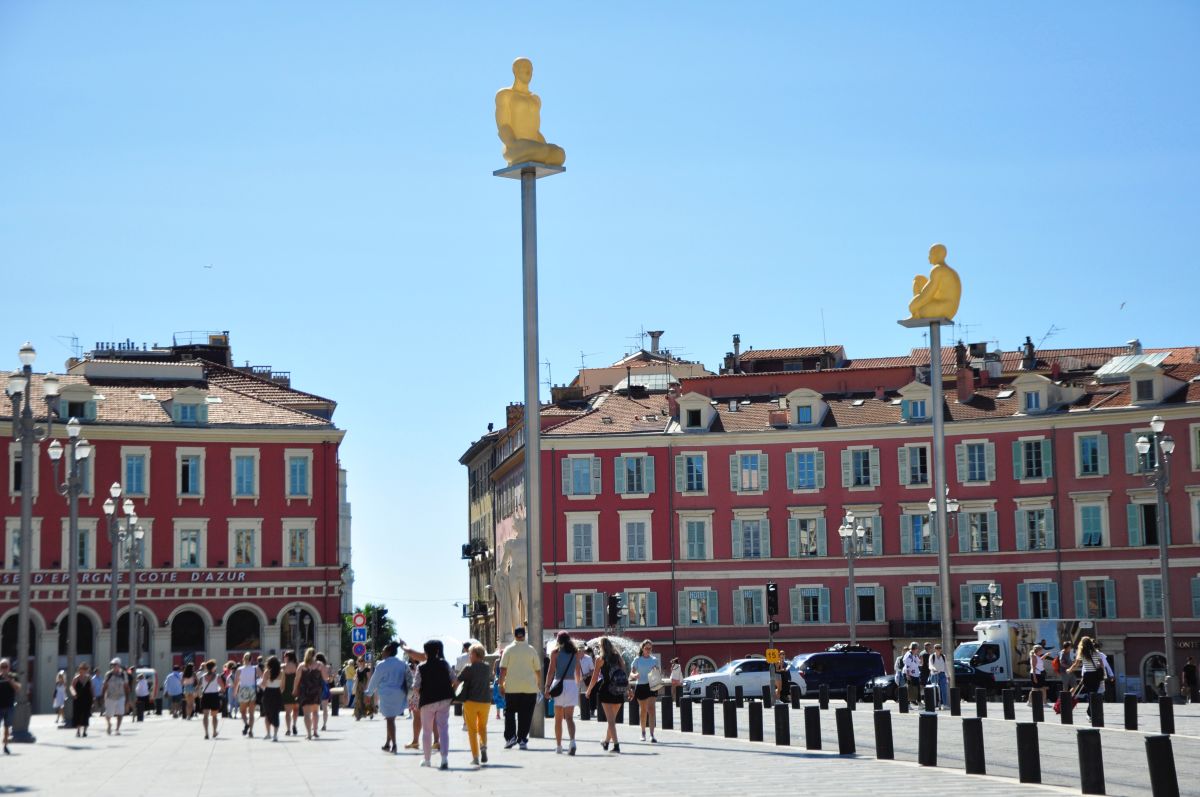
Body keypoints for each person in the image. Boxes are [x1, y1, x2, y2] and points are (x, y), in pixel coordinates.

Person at [415, 639, 457, 770]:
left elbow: (416, 686)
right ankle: (444, 758)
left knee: (427, 731)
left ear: (425, 652)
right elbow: (455, 680)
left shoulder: (421, 667)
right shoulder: (444, 664)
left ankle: (427, 759)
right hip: (444, 700)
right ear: (438, 651)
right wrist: (450, 692)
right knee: (443, 729)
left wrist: (420, 695)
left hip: (427, 701)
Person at [498, 626, 541, 750]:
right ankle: (522, 739)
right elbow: (538, 670)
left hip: (512, 687)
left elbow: (503, 670)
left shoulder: (508, 649)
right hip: (529, 688)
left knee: (510, 712)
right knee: (526, 714)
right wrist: (538, 684)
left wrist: (501, 685)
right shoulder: (531, 650)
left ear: (515, 635)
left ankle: (511, 737)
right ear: (524, 635)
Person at [365, 641, 409, 753]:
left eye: (384, 650)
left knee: (389, 720)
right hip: (400, 694)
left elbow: (374, 680)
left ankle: (394, 745)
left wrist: (369, 693)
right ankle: (387, 743)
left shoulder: (382, 664)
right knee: (391, 719)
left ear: (388, 651)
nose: (382, 652)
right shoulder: (402, 664)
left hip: (387, 694)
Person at [543, 632, 582, 755]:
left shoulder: (555, 653)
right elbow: (578, 673)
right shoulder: (574, 653)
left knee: (558, 718)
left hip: (558, 684)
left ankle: (559, 746)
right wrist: (576, 686)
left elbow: (550, 672)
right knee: (570, 718)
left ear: (558, 640)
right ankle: (572, 742)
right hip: (571, 685)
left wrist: (547, 687)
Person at [585, 637, 626, 753]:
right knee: (612, 720)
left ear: (601, 647)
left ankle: (616, 745)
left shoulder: (600, 659)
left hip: (606, 691)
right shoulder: (618, 658)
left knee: (611, 721)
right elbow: (624, 674)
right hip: (618, 691)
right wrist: (629, 689)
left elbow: (594, 678)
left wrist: (588, 691)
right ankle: (606, 742)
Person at [458, 643, 493, 766]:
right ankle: (483, 745)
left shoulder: (468, 668)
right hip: (485, 702)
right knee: (482, 727)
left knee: (472, 730)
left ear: (474, 654)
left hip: (471, 702)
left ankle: (475, 757)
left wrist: (451, 694)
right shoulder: (487, 667)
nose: (469, 656)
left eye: (470, 654)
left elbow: (457, 681)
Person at [1065, 636, 1105, 718]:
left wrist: (1069, 670)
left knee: (1089, 694)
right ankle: (1091, 711)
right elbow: (1101, 665)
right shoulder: (1097, 652)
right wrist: (1099, 669)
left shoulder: (1082, 653)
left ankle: (1090, 712)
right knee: (1094, 693)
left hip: (1087, 676)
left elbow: (1076, 664)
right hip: (1096, 676)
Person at [630, 639, 659, 743]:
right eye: (646, 648)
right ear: (642, 648)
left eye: (650, 648)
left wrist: (656, 671)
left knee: (651, 709)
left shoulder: (654, 659)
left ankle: (652, 734)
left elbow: (657, 672)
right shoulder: (637, 660)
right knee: (643, 710)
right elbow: (631, 674)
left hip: (652, 685)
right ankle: (643, 732)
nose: (648, 650)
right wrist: (635, 675)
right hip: (641, 686)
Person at [296, 648, 324, 740]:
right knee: (315, 712)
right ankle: (315, 731)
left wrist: (294, 689)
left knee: (306, 714)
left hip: (305, 691)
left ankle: (308, 734)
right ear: (315, 655)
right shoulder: (319, 665)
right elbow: (325, 677)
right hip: (316, 690)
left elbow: (297, 679)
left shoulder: (301, 666)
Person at [258, 655, 284, 742]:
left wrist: (261, 686)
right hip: (277, 693)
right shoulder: (281, 672)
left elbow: (263, 684)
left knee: (267, 713)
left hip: (268, 693)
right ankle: (275, 735)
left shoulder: (267, 672)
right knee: (276, 714)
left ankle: (268, 733)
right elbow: (282, 686)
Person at [198, 659, 224, 739]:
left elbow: (199, 687)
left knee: (205, 715)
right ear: (213, 667)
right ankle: (214, 732)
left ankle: (206, 733)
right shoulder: (217, 676)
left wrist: (200, 694)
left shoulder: (202, 677)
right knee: (214, 716)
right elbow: (223, 687)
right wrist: (220, 690)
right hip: (214, 696)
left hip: (205, 696)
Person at [101, 659, 129, 736]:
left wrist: (127, 699)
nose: (114, 666)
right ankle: (109, 724)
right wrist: (102, 696)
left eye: (115, 665)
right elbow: (105, 686)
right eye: (113, 665)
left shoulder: (123, 674)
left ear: (119, 665)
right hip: (110, 697)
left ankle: (117, 729)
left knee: (120, 713)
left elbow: (126, 686)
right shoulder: (108, 674)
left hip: (120, 696)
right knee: (108, 714)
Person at [235, 652, 259, 736]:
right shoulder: (255, 668)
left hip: (243, 689)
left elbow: (236, 682)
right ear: (251, 659)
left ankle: (246, 724)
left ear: (243, 659)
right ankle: (251, 731)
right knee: (251, 713)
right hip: (252, 689)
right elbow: (262, 678)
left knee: (242, 711)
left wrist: (235, 692)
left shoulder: (239, 669)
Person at [0, 658, 21, 754]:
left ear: (9, 667)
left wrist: (10, 680)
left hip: (9, 706)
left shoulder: (13, 676)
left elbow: (18, 688)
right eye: (2, 666)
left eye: (5, 666)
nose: (4, 668)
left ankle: (5, 745)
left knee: (7, 727)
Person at [70, 663, 93, 737]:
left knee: (86, 714)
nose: (83, 671)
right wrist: (74, 694)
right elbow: (71, 688)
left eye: (85, 669)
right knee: (78, 715)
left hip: (87, 699)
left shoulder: (89, 678)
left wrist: (93, 697)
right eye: (82, 669)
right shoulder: (76, 678)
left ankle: (85, 731)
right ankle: (78, 731)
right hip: (78, 699)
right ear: (79, 670)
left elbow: (91, 688)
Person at [281, 650, 299, 735]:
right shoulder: (298, 666)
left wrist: (281, 691)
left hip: (287, 690)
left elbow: (283, 682)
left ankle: (288, 729)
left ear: (288, 657)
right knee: (296, 710)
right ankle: (294, 725)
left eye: (285, 656)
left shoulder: (284, 667)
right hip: (297, 690)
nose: (284, 658)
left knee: (287, 712)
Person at [316, 653, 333, 732]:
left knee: (315, 708)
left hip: (316, 686)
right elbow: (330, 680)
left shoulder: (315, 666)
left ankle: (314, 724)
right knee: (325, 708)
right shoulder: (327, 667)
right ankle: (324, 724)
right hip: (325, 686)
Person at [928, 644, 949, 709]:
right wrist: (933, 668)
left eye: (939, 648)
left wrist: (948, 675)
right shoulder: (932, 656)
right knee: (935, 690)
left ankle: (944, 704)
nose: (938, 649)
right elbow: (930, 665)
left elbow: (945, 666)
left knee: (944, 690)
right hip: (934, 674)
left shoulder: (943, 656)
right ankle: (936, 705)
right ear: (934, 649)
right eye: (937, 648)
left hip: (942, 674)